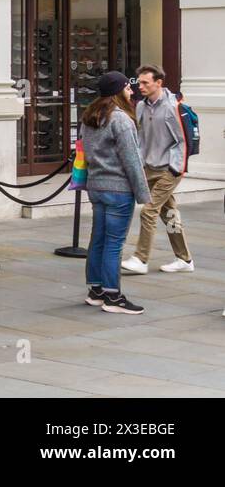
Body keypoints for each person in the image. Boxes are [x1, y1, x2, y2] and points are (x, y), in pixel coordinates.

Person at [81, 70, 152, 314]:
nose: (131, 90)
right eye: (127, 87)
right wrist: (143, 194)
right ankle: (113, 296)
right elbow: (132, 160)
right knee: (114, 243)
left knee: (98, 239)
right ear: (117, 91)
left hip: (97, 186)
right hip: (118, 189)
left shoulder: (90, 116)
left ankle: (96, 290)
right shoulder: (121, 120)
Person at [122, 64, 193, 274]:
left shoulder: (174, 107)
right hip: (149, 167)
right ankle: (184, 259)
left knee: (148, 211)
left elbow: (183, 141)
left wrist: (176, 168)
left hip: (169, 169)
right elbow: (140, 137)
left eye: (145, 82)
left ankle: (141, 259)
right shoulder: (141, 106)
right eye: (139, 82)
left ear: (159, 83)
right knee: (170, 214)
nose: (140, 86)